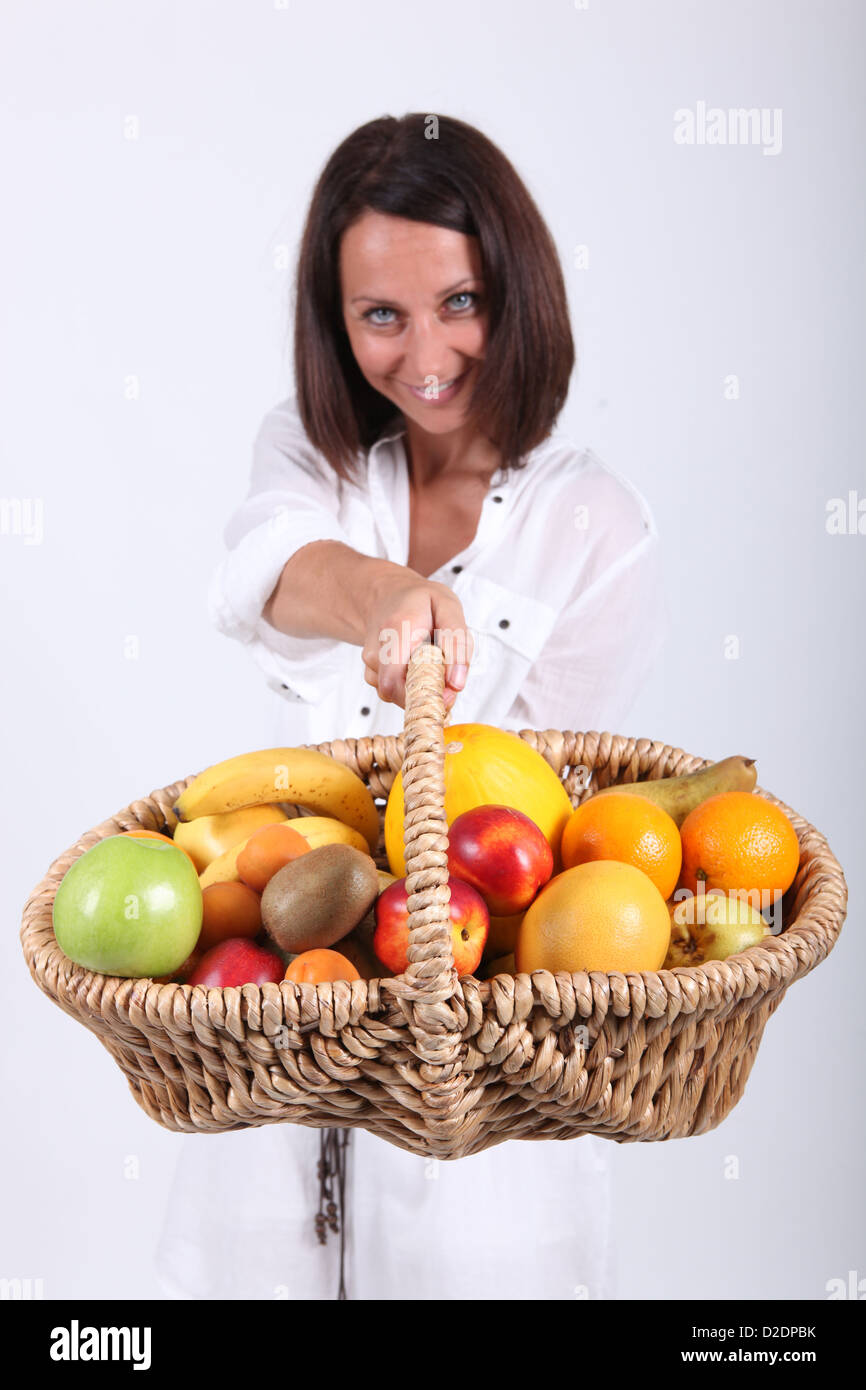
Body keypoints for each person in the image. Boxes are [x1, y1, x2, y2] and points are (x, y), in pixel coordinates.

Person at [155, 113, 668, 1301]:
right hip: (282, 984)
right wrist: (384, 593)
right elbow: (266, 566)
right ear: (335, 324)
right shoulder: (316, 454)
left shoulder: (596, 529)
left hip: (480, 1052)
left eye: (460, 301)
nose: (424, 351)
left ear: (519, 293)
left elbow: (550, 827)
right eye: (379, 314)